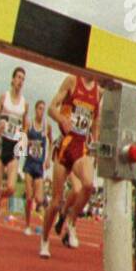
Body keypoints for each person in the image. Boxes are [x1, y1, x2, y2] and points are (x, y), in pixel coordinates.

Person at [39, 74, 102, 258]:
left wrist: (95, 146)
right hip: (65, 144)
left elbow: (96, 122)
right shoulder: (72, 81)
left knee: (88, 185)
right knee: (56, 201)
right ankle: (44, 240)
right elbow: (51, 108)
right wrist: (61, 119)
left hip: (81, 146)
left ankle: (71, 221)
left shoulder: (98, 91)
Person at [0, 66, 29, 240]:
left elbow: (25, 125)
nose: (20, 81)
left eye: (23, 78)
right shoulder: (4, 98)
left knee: (10, 187)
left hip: (14, 145)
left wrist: (22, 140)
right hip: (2, 143)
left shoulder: (24, 104)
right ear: (12, 80)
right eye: (18, 77)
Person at [21, 100, 51, 236]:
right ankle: (27, 225)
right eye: (39, 108)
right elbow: (23, 135)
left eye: (43, 109)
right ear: (35, 109)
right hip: (29, 164)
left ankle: (46, 222)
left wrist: (48, 158)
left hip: (39, 166)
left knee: (39, 199)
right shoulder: (29, 124)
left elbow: (51, 141)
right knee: (28, 197)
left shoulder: (47, 126)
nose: (41, 111)